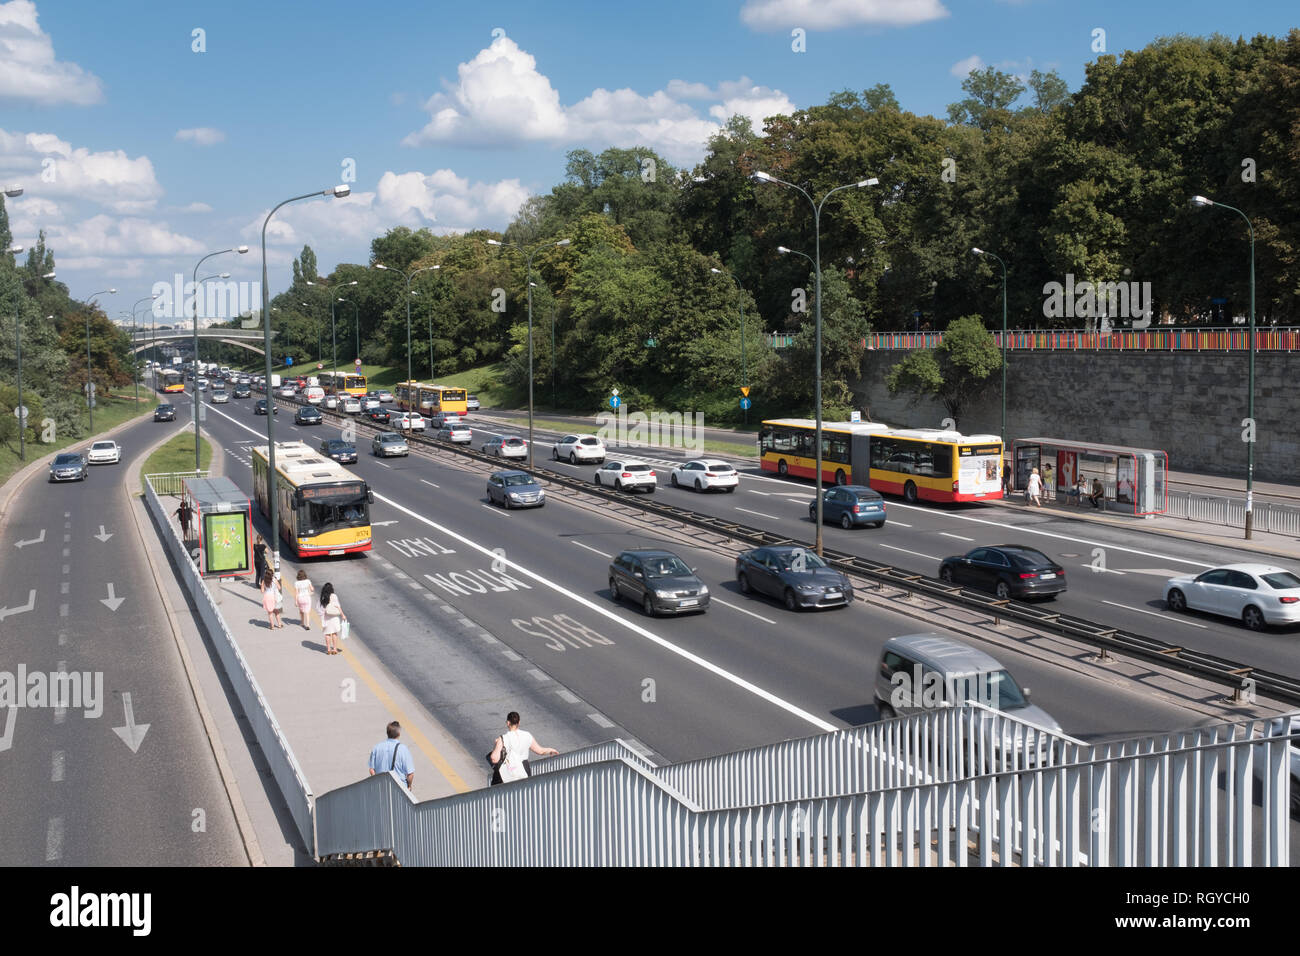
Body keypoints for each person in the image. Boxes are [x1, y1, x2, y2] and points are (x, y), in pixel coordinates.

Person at [489, 711, 559, 786]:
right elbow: (540, 751)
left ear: (508, 723)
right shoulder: (527, 735)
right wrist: (551, 750)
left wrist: (495, 745)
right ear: (519, 722)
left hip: (509, 770)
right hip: (524, 769)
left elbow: (494, 759)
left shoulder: (503, 738)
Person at [368, 721, 414, 792]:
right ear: (399, 734)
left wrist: (377, 782)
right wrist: (409, 786)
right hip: (399, 789)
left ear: (387, 733)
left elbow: (371, 769)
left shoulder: (377, 747)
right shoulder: (403, 749)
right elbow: (410, 774)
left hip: (381, 788)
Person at [320, 582, 347, 656]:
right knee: (334, 633)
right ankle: (335, 649)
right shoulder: (334, 596)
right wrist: (343, 615)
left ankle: (328, 650)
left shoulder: (323, 597)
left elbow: (321, 608)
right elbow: (338, 606)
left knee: (327, 633)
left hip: (326, 617)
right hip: (334, 617)